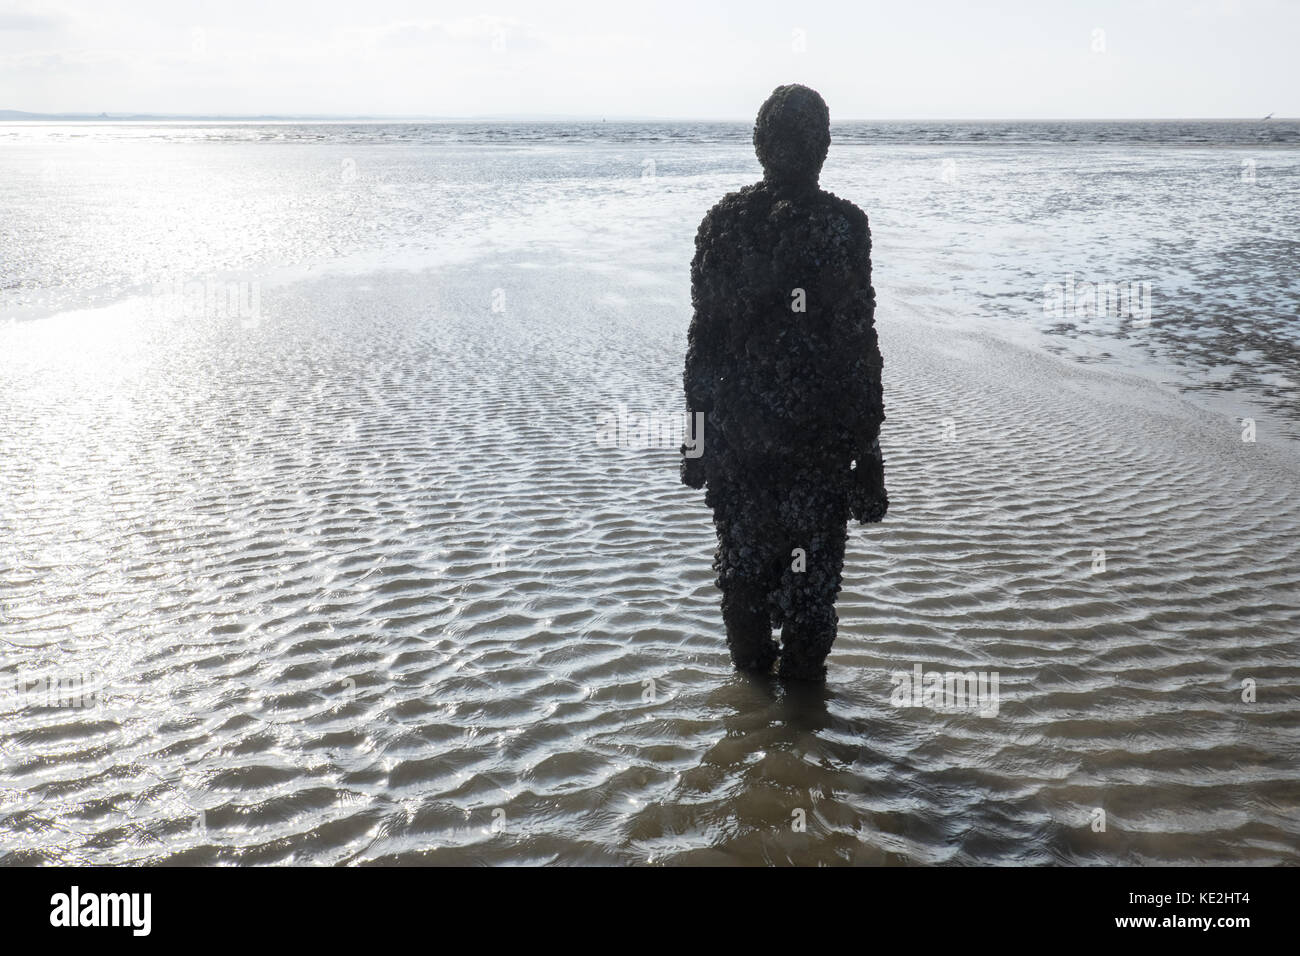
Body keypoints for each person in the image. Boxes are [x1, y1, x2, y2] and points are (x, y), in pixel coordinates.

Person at [681, 83, 887, 681]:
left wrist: (696, 444)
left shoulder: (724, 223)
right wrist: (868, 460)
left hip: (742, 444)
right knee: (810, 588)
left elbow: (704, 347)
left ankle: (760, 727)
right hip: (814, 448)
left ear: (759, 144)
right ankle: (800, 727)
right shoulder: (842, 227)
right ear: (822, 145)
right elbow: (857, 349)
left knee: (743, 577)